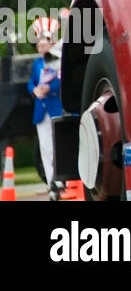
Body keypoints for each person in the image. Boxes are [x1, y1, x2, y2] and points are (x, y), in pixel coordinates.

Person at [27, 19, 63, 200]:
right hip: (41, 111)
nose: (42, 46)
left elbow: (62, 82)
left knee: (60, 147)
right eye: (39, 43)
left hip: (56, 107)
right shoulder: (37, 64)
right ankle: (51, 183)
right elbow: (31, 81)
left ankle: (63, 181)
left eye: (45, 42)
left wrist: (51, 88)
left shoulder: (58, 61)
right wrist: (34, 90)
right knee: (46, 148)